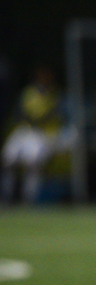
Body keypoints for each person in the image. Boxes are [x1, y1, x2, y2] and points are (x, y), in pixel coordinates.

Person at [2, 67, 63, 206]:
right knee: (8, 162)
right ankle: (6, 197)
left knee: (33, 165)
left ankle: (28, 199)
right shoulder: (28, 92)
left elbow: (51, 114)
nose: (45, 79)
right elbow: (20, 112)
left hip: (41, 133)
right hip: (24, 130)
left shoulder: (53, 95)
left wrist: (37, 119)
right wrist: (31, 118)